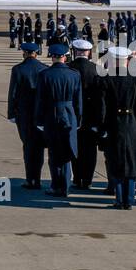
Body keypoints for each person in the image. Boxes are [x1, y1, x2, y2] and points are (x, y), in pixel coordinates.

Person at [99, 46, 136, 209]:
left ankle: (120, 200)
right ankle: (130, 199)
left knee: (116, 163)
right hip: (133, 123)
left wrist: (103, 127)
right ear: (128, 60)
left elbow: (103, 107)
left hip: (114, 125)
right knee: (132, 164)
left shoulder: (106, 79)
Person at [34, 43, 82, 199]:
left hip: (51, 114)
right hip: (69, 115)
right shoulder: (74, 74)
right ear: (65, 56)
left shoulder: (44, 75)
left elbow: (40, 100)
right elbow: (78, 101)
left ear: (52, 56)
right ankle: (66, 186)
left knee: (54, 153)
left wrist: (39, 120)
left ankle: (56, 185)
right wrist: (79, 119)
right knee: (67, 151)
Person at [7, 42, 46, 190]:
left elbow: (13, 93)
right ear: (36, 53)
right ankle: (38, 178)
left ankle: (31, 179)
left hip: (24, 115)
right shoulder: (44, 68)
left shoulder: (18, 69)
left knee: (29, 147)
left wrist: (11, 113)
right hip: (40, 114)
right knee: (39, 148)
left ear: (24, 53)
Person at [68, 38, 100, 189]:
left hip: (73, 115)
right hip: (91, 117)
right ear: (88, 52)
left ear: (74, 51)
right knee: (90, 150)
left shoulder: (69, 68)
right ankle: (88, 180)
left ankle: (77, 178)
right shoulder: (96, 69)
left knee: (76, 148)